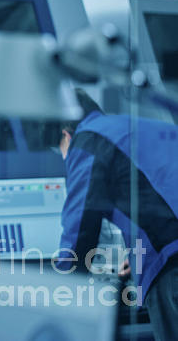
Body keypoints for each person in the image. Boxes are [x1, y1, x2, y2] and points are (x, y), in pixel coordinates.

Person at [55, 90, 178, 340]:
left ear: (66, 134)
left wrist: (57, 291)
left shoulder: (89, 140)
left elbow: (80, 227)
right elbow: (158, 194)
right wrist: (139, 255)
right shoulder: (134, 128)